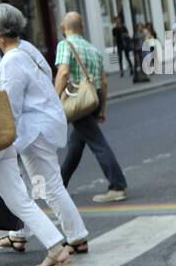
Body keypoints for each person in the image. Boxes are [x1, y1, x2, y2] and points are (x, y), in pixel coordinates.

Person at [0, 3, 88, 266]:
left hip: (29, 132)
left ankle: (75, 236)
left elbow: (8, 108)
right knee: (30, 192)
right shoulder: (26, 49)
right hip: (34, 129)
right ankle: (46, 241)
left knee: (48, 186)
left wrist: (10, 143)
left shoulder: (11, 61)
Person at [55, 11, 129, 204]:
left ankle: (117, 185)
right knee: (75, 146)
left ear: (64, 27)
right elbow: (104, 82)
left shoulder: (65, 45)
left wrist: (54, 100)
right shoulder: (93, 49)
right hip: (92, 101)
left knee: (98, 144)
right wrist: (102, 109)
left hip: (78, 102)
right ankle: (59, 186)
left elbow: (63, 73)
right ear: (82, 28)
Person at [112, 14, 138, 79]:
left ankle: (131, 68)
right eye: (116, 20)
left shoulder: (123, 27)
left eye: (118, 20)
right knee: (120, 58)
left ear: (120, 20)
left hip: (125, 44)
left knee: (127, 57)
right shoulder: (114, 29)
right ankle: (121, 71)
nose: (117, 21)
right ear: (115, 21)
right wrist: (114, 47)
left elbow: (127, 34)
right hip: (119, 44)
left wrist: (125, 35)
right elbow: (114, 38)